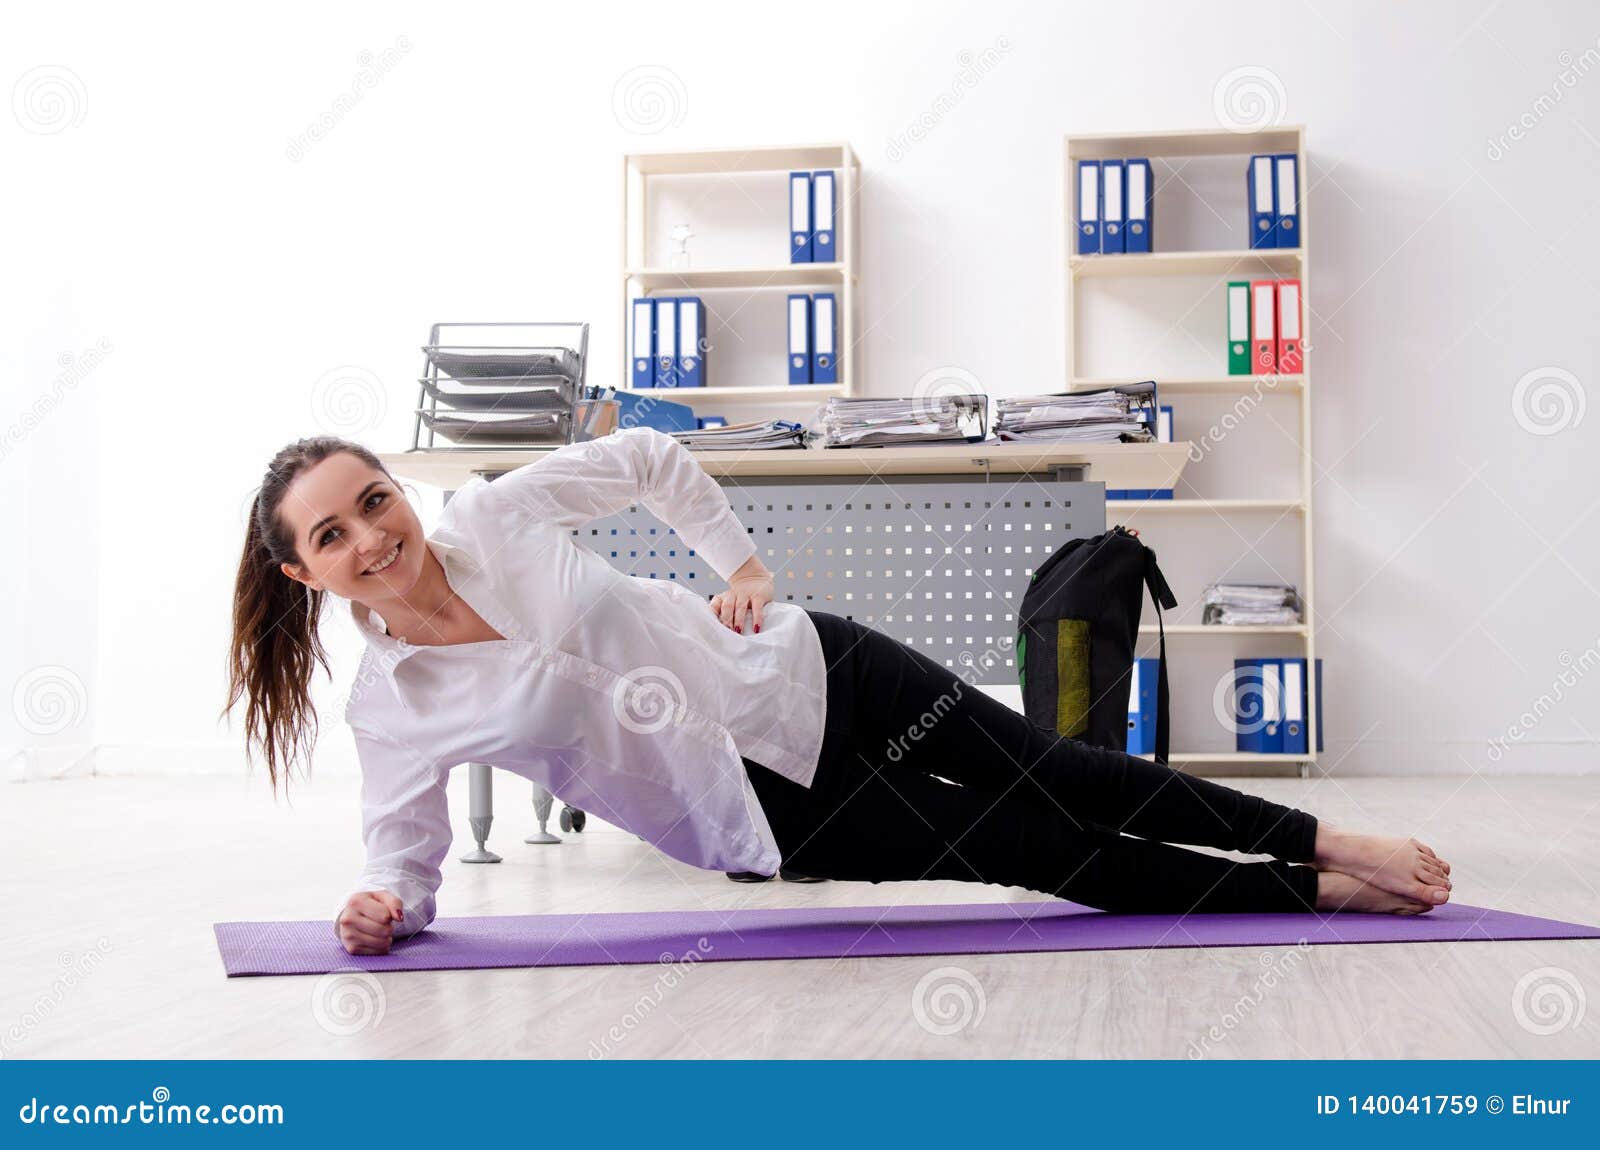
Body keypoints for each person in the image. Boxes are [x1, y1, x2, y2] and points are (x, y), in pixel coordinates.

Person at [223, 428, 1452, 957]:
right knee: (1038, 849)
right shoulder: (394, 707)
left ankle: (1322, 836)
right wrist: (383, 904)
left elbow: (649, 460)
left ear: (397, 490)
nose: (372, 537)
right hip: (758, 811)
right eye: (331, 535)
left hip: (806, 668)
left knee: (1060, 770)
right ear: (303, 570)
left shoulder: (496, 510)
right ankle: (1313, 891)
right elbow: (406, 853)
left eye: (373, 500)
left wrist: (741, 566)